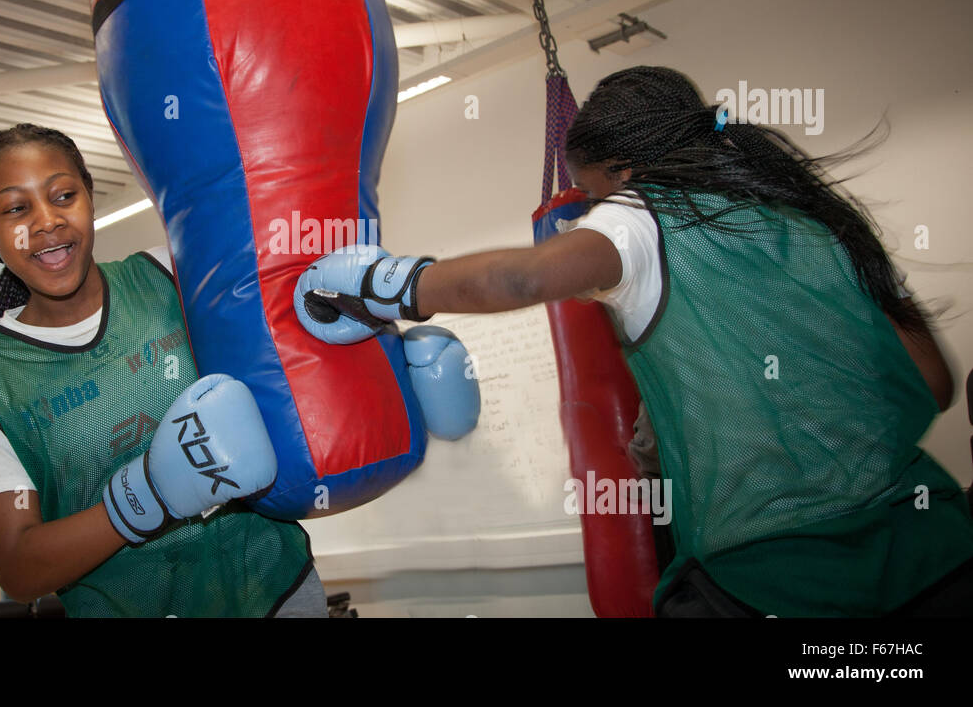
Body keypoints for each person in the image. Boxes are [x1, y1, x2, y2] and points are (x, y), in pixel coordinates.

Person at [295, 66, 973, 617]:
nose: (591, 211)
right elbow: (934, 387)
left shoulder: (638, 215)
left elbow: (519, 277)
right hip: (935, 550)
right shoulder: (815, 218)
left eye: (589, 197)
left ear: (620, 172)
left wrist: (385, 283)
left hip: (773, 579)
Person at [0, 123, 322, 617]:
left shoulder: (170, 274)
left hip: (274, 591)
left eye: (63, 196)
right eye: (16, 208)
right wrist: (148, 496)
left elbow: (288, 350)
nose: (46, 221)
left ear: (89, 200)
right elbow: (18, 568)